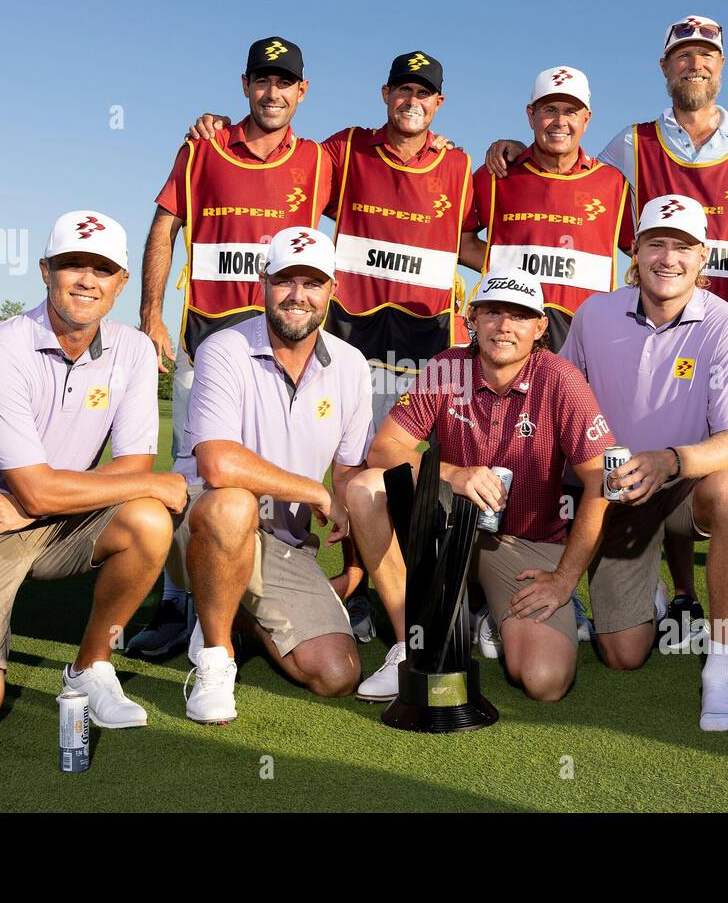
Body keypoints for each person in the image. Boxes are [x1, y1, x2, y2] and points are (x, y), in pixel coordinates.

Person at [488, 18, 728, 664]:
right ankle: (680, 594)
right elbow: (577, 178)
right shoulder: (634, 141)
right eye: (682, 58)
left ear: (721, 66)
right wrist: (515, 147)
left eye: (704, 57)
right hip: (650, 327)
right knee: (649, 442)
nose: (693, 67)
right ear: (665, 68)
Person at [183, 51, 476, 643]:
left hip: (427, 339)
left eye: (424, 94)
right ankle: (355, 589)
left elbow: (476, 238)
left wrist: (508, 153)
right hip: (355, 335)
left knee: (411, 472)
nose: (411, 102)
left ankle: (449, 595)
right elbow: (278, 165)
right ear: (385, 93)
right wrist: (223, 127)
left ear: (438, 103)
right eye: (402, 90)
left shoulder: (463, 165)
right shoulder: (343, 149)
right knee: (363, 468)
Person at [0, 211, 186, 740]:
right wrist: (38, 495)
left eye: (102, 269)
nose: (87, 280)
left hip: (53, 517)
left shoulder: (133, 350)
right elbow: (63, 484)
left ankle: (89, 668)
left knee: (147, 521)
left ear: (122, 283)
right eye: (71, 265)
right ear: (46, 272)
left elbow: (129, 465)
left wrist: (32, 501)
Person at [129, 36, 333, 659]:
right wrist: (150, 316)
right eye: (262, 81)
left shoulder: (324, 161)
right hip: (207, 341)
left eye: (285, 83)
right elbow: (167, 223)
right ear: (246, 85)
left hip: (286, 349)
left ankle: (256, 595)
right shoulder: (204, 145)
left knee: (273, 469)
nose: (273, 93)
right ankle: (175, 601)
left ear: (302, 91)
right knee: (189, 474)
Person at [347, 269, 613, 702]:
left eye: (520, 316)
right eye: (492, 312)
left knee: (544, 679)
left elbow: (600, 479)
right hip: (453, 524)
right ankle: (410, 644)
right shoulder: (447, 366)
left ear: (540, 326)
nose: (504, 326)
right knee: (367, 488)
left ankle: (484, 608)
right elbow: (384, 450)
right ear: (472, 317)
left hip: (523, 544)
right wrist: (452, 473)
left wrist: (564, 579)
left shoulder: (561, 379)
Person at [560, 195, 728, 731]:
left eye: (683, 248)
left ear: (703, 259)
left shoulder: (725, 325)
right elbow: (560, 406)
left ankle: (719, 669)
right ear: (635, 250)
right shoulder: (594, 314)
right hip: (611, 491)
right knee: (622, 654)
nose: (668, 259)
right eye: (656, 244)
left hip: (680, 488)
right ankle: (648, 595)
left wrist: (669, 461)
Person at [173, 226, 374, 724]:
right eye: (286, 280)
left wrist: (354, 567)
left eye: (313, 283)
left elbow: (348, 475)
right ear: (262, 283)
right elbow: (217, 464)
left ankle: (232, 609)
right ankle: (215, 655)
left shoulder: (350, 365)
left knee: (337, 673)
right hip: (204, 523)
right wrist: (314, 492)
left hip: (284, 541)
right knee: (232, 503)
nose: (298, 295)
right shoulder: (223, 348)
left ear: (333, 291)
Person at [461, 66, 633, 353]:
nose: (560, 121)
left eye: (571, 111)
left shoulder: (612, 183)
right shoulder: (497, 173)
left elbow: (641, 255)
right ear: (531, 115)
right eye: (550, 109)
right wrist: (507, 272)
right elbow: (460, 244)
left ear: (587, 119)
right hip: (509, 340)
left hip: (584, 346)